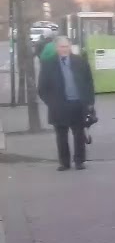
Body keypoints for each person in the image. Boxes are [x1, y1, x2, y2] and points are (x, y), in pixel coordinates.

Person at [37, 37, 95, 171]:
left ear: (70, 47)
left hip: (77, 104)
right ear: (57, 48)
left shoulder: (80, 61)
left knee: (79, 134)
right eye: (61, 47)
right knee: (61, 136)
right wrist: (51, 103)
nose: (64, 49)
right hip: (58, 106)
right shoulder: (48, 64)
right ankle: (64, 163)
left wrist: (89, 102)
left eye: (66, 46)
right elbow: (42, 88)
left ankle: (79, 161)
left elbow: (89, 83)